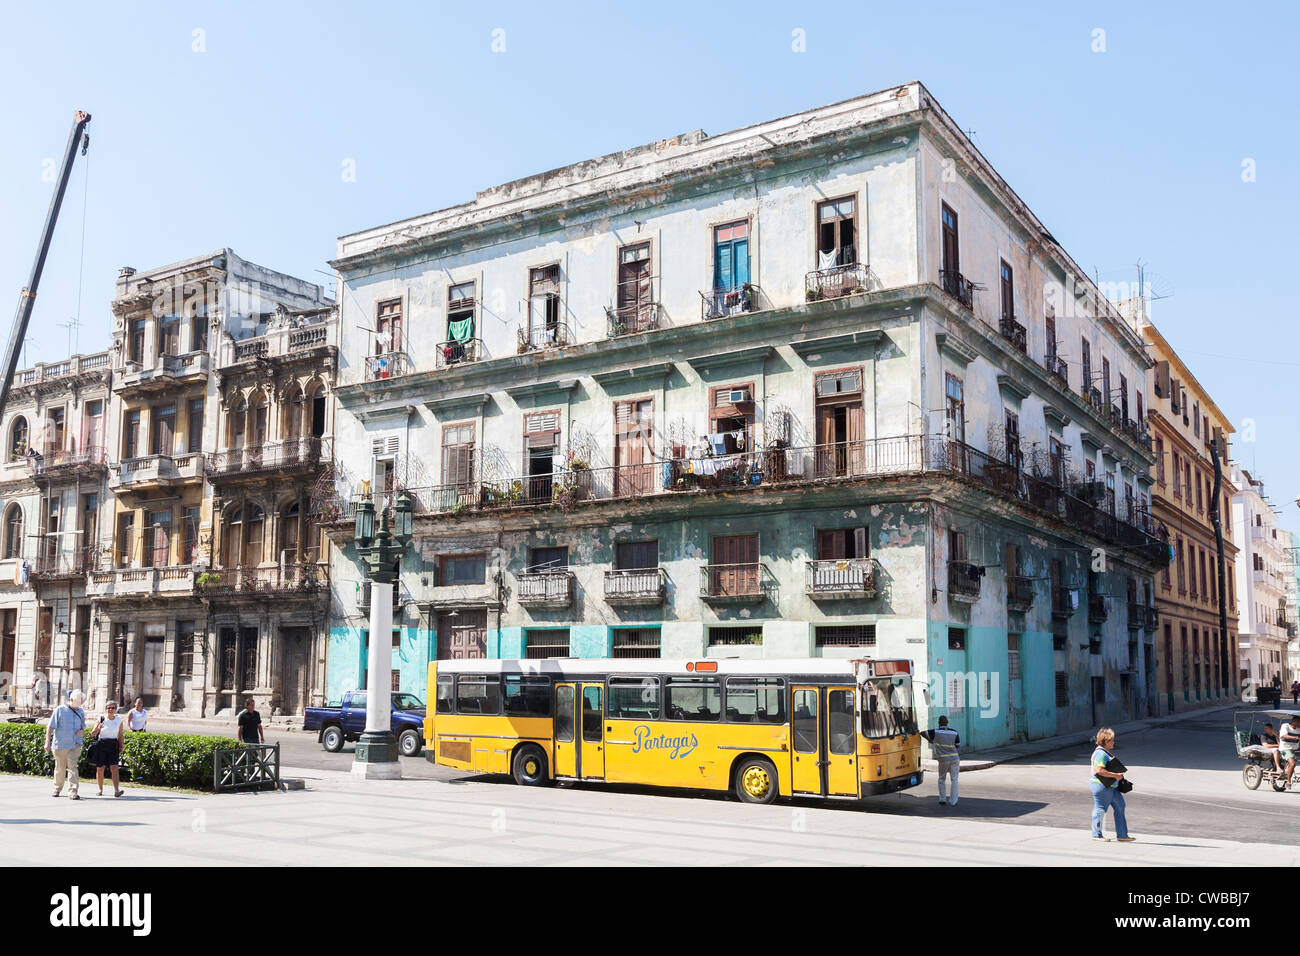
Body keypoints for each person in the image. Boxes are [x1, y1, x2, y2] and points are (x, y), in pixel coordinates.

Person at [1090, 727, 1135, 842]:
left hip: (1110, 786)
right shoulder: (1100, 754)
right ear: (1105, 741)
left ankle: (1122, 835)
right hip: (1101, 786)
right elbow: (1099, 770)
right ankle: (1096, 835)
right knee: (1100, 808)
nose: (1114, 742)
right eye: (1111, 740)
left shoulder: (1105, 753)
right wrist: (1115, 775)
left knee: (1120, 805)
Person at [44, 689, 86, 799]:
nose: (77, 706)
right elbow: (50, 727)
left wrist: (81, 731)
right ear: (70, 700)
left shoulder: (80, 711)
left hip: (75, 744)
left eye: (79, 704)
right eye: (76, 703)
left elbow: (83, 726)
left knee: (73, 767)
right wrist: (47, 742)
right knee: (60, 768)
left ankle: (73, 792)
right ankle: (57, 789)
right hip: (60, 744)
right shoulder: (59, 710)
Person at [87, 700, 126, 797]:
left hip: (113, 745)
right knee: (100, 768)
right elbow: (92, 734)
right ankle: (100, 790)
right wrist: (98, 728)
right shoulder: (101, 719)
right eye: (109, 708)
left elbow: (120, 734)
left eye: (113, 708)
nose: (111, 710)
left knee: (115, 767)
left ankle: (117, 791)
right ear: (106, 709)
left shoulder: (119, 720)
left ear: (115, 709)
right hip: (102, 744)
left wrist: (121, 745)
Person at [921, 714, 960, 806]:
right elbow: (958, 745)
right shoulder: (954, 732)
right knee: (954, 780)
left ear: (939, 723)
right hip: (955, 758)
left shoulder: (935, 732)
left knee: (942, 779)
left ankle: (942, 799)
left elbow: (922, 733)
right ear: (947, 723)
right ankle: (953, 801)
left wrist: (930, 740)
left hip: (943, 759)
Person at [1279, 716, 1299, 788]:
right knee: (1292, 763)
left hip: (1296, 748)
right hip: (1285, 748)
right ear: (1294, 722)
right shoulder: (1285, 726)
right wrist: (1295, 737)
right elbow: (1283, 736)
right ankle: (1288, 781)